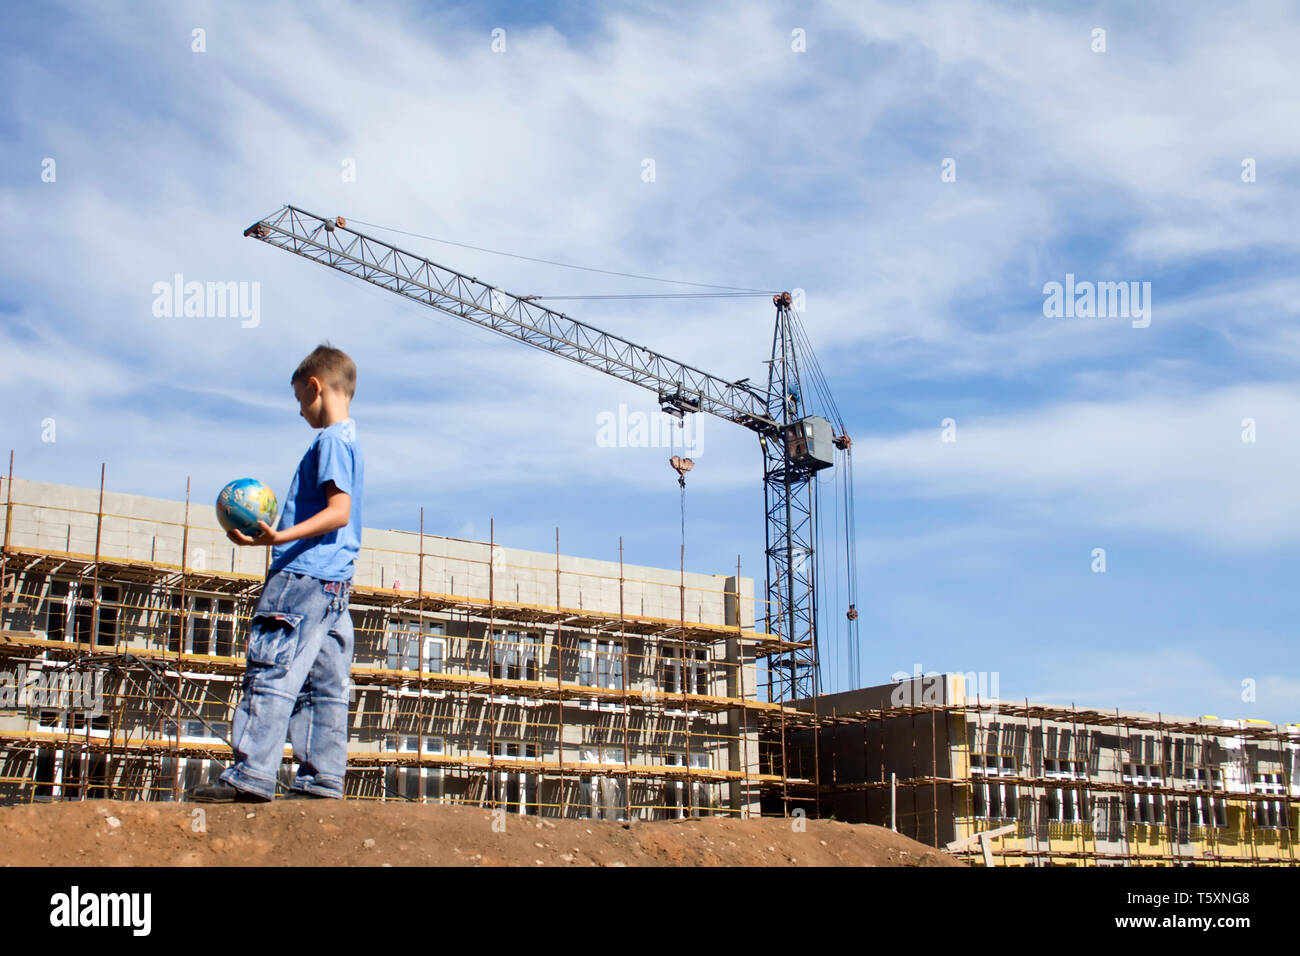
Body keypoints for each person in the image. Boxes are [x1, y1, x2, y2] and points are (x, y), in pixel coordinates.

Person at [191, 343, 364, 803]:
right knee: (322, 687)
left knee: (271, 671)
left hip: (302, 578)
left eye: (299, 401)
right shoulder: (351, 440)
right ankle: (321, 780)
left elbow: (339, 511)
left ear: (315, 387)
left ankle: (251, 774)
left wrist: (278, 539)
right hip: (335, 586)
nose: (300, 412)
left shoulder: (328, 441)